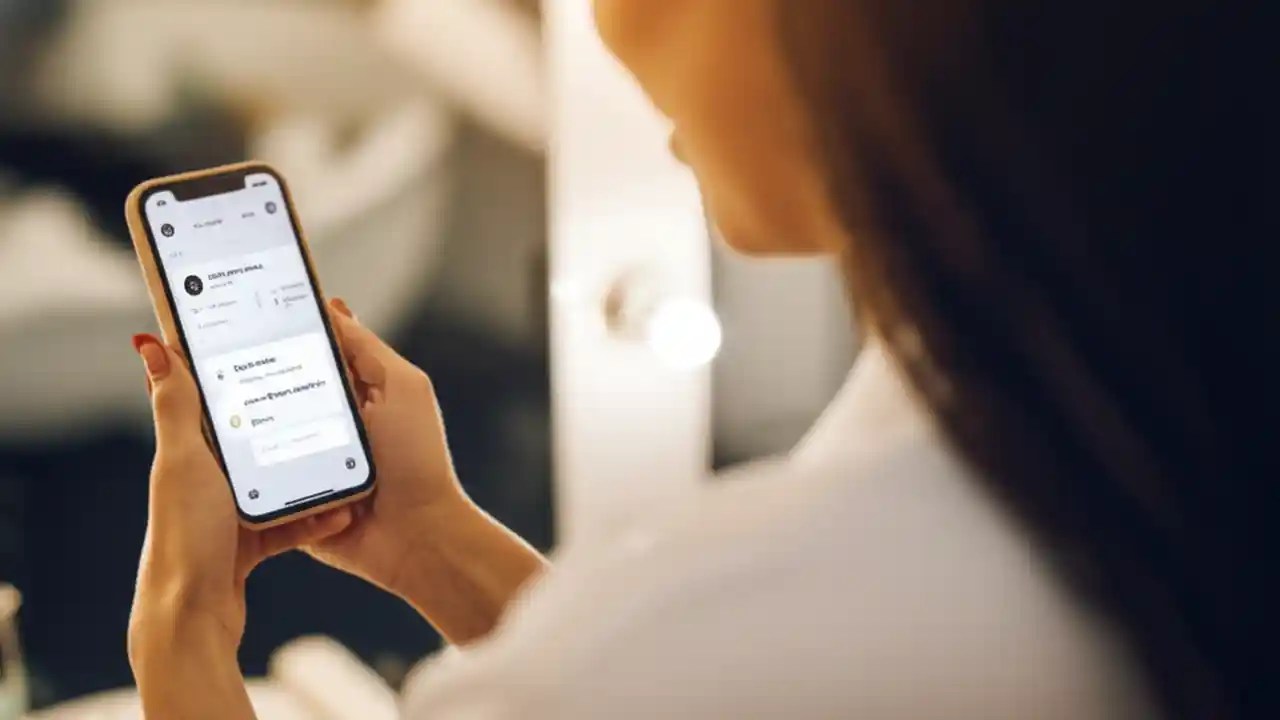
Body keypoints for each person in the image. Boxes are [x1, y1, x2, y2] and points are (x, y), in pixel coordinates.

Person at [124, 1, 1270, 718]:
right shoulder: (1153, 424)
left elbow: (677, 670)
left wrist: (181, 644)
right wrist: (434, 543)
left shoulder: (719, 633)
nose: (609, 30)